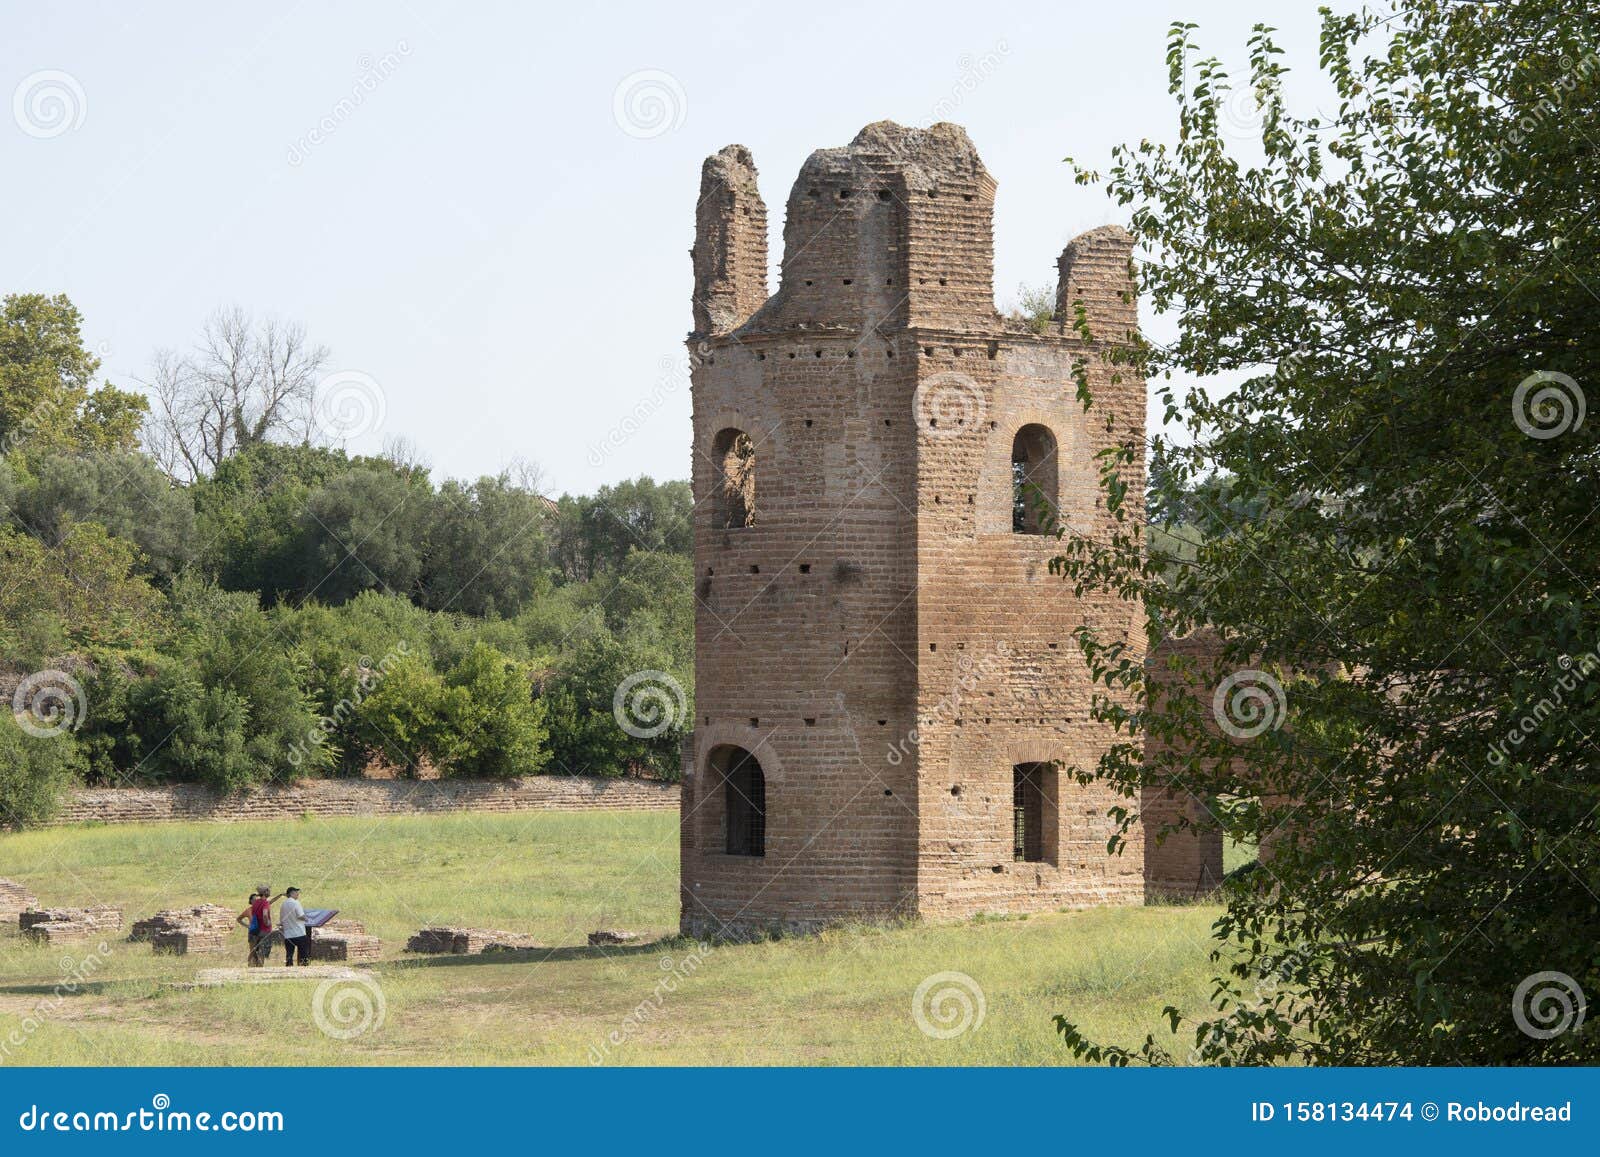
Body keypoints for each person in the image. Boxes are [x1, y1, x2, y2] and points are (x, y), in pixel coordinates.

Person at [235, 885, 282, 967]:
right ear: (265, 892)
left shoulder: (256, 903)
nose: (270, 893)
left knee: (253, 951)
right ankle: (258, 969)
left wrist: (280, 895)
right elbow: (264, 914)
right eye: (268, 891)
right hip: (263, 931)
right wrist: (267, 922)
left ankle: (252, 968)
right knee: (261, 952)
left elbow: (271, 901)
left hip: (254, 930)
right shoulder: (264, 903)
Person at [279, 886, 310, 966]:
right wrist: (307, 919)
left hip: (288, 935)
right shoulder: (296, 903)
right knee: (304, 954)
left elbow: (282, 920)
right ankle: (304, 968)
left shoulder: (283, 904)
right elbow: (300, 916)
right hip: (299, 933)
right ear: (292, 893)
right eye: (296, 892)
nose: (298, 894)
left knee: (289, 955)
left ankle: (289, 969)